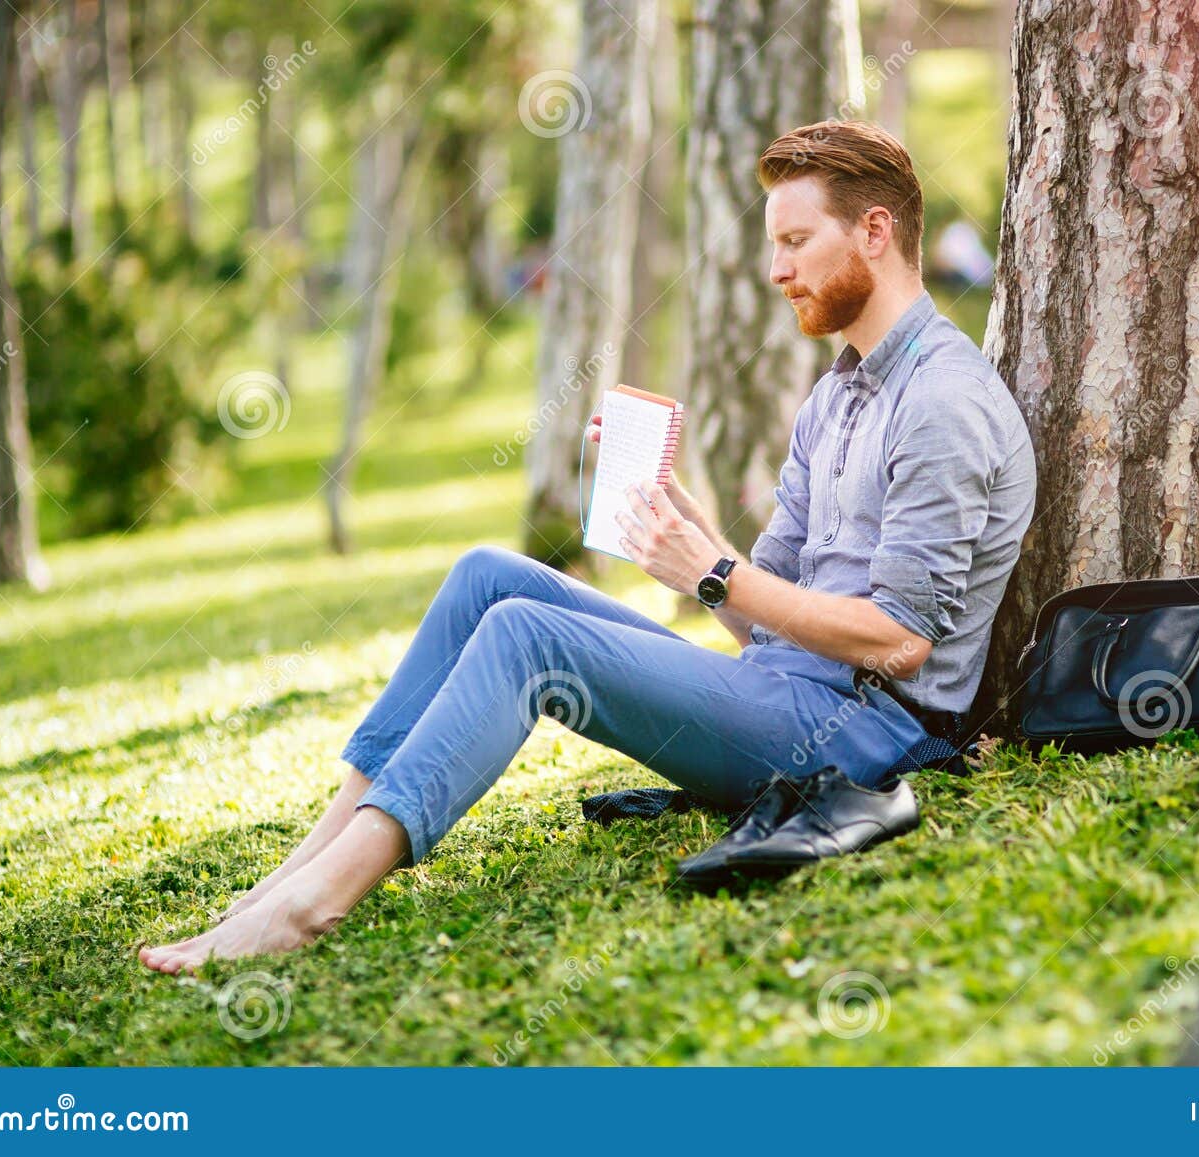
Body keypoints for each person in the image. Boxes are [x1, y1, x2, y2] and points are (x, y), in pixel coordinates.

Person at [139, 120, 1036, 972]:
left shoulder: (942, 403)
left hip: (868, 736)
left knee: (530, 636)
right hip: (782, 688)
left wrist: (717, 575)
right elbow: (765, 622)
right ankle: (302, 864)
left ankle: (313, 904)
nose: (776, 270)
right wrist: (692, 541)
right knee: (486, 577)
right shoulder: (835, 399)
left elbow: (899, 641)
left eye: (796, 242)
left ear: (874, 232)